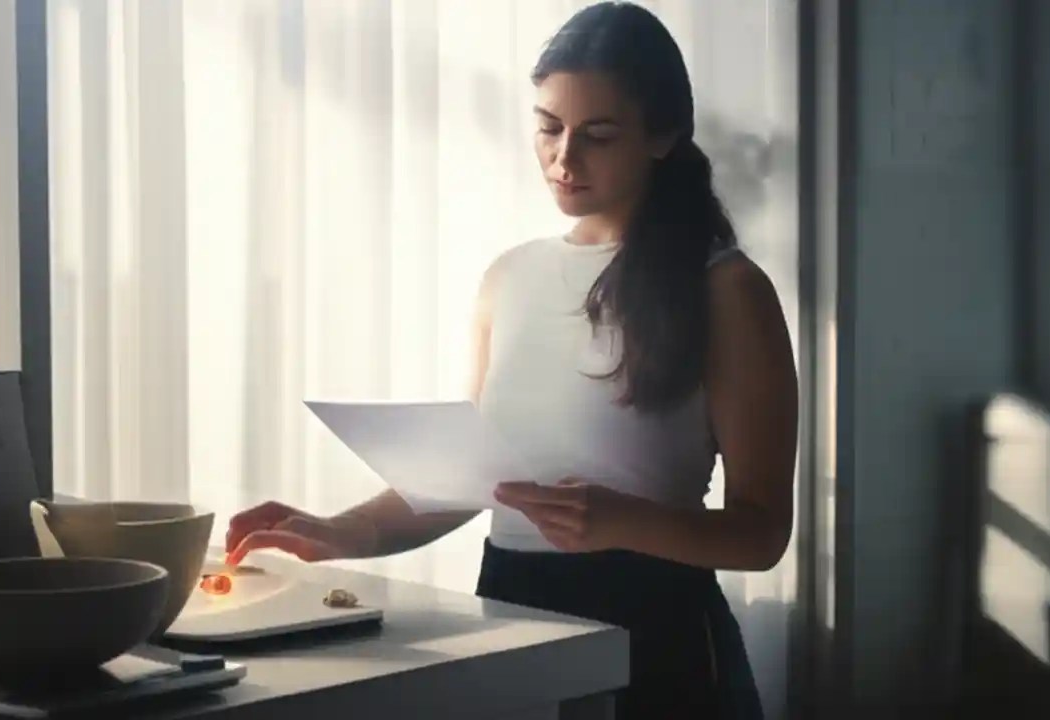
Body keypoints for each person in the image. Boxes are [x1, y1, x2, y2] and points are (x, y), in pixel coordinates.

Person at [225, 3, 798, 717]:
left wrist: (621, 523)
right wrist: (342, 530)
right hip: (507, 618)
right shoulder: (510, 277)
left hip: (656, 631)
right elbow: (471, 479)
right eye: (549, 127)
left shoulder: (728, 290)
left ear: (664, 136)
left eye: (598, 135)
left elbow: (762, 531)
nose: (565, 158)